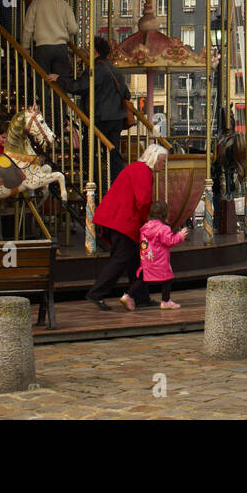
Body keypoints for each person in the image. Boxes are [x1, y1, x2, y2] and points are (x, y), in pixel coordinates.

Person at [86, 144, 167, 309]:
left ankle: (141, 297)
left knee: (135, 259)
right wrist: (150, 223)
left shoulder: (137, 169)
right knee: (122, 258)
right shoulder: (143, 171)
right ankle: (96, 293)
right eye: (163, 161)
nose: (164, 164)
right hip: (122, 221)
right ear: (154, 159)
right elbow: (143, 201)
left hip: (117, 219)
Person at [123, 199, 190, 310]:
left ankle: (127, 295)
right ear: (165, 214)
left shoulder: (145, 228)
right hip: (160, 260)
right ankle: (165, 301)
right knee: (167, 278)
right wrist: (180, 235)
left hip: (147, 260)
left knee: (142, 279)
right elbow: (170, 241)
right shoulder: (163, 229)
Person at [22, 0, 80, 89]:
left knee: (42, 81)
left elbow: (28, 28)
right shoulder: (64, 4)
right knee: (60, 81)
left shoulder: (36, 3)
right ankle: (59, 100)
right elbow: (73, 28)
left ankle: (44, 100)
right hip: (60, 47)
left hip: (42, 48)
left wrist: (25, 47)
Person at [91, 35, 133, 181]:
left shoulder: (97, 68)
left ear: (95, 51)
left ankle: (98, 182)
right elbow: (127, 94)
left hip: (102, 117)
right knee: (113, 152)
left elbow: (82, 86)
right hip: (117, 118)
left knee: (89, 151)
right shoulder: (114, 69)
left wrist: (61, 81)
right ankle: (118, 182)